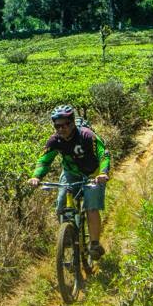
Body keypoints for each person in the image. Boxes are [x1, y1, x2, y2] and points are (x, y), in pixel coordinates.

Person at [28, 104, 110, 258]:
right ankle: (67, 235)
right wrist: (36, 176)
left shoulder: (87, 135)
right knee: (61, 204)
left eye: (65, 124)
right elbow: (44, 160)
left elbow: (103, 154)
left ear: (72, 122)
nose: (61, 129)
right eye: (57, 126)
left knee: (91, 207)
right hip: (70, 173)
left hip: (93, 173)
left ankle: (94, 244)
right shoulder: (54, 140)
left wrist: (103, 173)